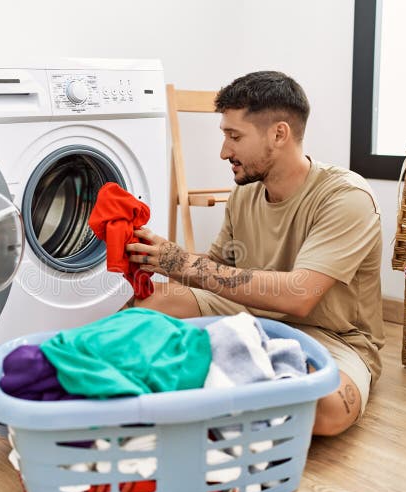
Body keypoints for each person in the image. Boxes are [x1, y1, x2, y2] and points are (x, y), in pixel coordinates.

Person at [126, 71, 384, 436]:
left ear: (279, 134)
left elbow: (299, 297)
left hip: (334, 335)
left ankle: (208, 379)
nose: (223, 151)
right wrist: (154, 254)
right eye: (224, 135)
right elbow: (212, 271)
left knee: (327, 410)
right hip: (250, 314)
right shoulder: (244, 194)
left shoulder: (347, 198)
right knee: (156, 299)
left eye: (234, 136)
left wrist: (182, 262)